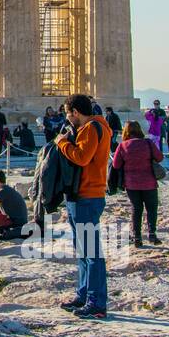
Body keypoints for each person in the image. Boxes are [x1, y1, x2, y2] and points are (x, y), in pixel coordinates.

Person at [55, 94, 111, 319]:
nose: (68, 119)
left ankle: (96, 302)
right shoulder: (97, 127)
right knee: (83, 251)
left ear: (76, 112)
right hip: (82, 195)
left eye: (69, 114)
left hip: (87, 195)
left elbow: (81, 158)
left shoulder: (91, 128)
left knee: (91, 252)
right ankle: (83, 293)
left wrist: (62, 143)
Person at [112, 120, 163, 247]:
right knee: (151, 209)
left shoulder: (123, 145)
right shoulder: (148, 143)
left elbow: (116, 164)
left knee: (136, 209)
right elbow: (160, 157)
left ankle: (137, 237)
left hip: (131, 183)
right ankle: (152, 234)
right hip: (149, 182)